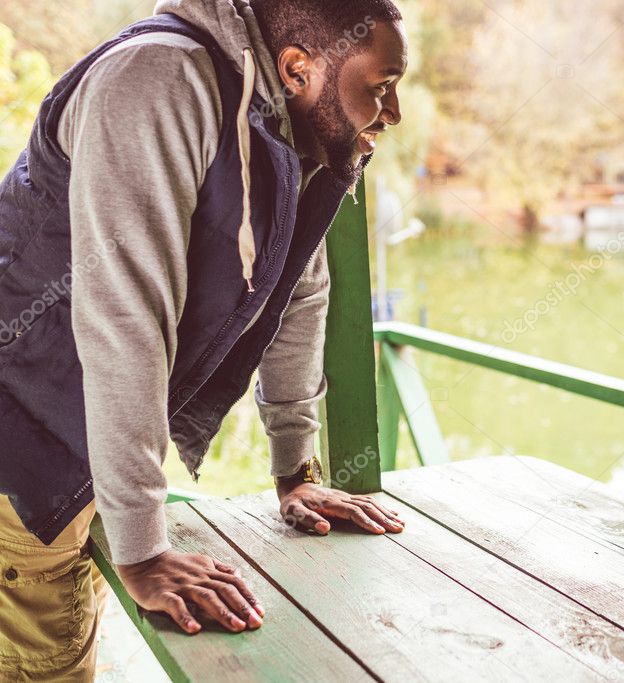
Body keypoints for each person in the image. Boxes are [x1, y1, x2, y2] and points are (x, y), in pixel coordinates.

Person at [0, 0, 409, 678]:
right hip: (20, 450)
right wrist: (142, 550)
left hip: (88, 444)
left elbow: (297, 292)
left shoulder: (284, 123)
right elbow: (123, 316)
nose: (390, 113)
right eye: (381, 86)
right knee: (45, 664)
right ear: (297, 67)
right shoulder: (156, 80)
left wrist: (295, 471)